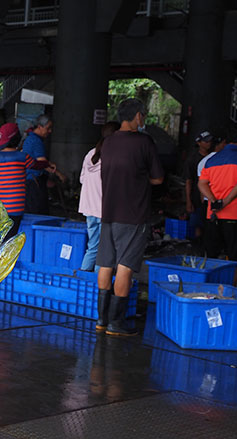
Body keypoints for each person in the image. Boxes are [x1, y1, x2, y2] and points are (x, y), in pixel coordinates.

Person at [96, 98, 164, 336]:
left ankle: (102, 321)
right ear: (137, 116)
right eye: (142, 115)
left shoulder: (108, 142)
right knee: (124, 267)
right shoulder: (144, 142)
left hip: (108, 213)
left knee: (106, 263)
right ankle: (116, 324)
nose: (143, 120)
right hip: (133, 215)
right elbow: (158, 179)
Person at [0, 122, 51, 239]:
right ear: (17, 139)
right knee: (10, 239)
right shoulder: (22, 157)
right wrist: (48, 164)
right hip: (15, 207)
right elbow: (37, 165)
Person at [199, 126, 237, 285]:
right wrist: (227, 201)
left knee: (212, 255)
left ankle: (210, 287)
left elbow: (202, 184)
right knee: (236, 256)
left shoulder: (212, 160)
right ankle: (234, 289)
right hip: (235, 215)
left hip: (213, 215)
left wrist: (214, 200)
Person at [78, 121, 120, 271]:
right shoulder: (114, 155)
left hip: (89, 209)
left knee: (93, 247)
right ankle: (98, 286)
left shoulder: (91, 153)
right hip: (104, 210)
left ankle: (82, 278)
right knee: (105, 251)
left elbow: (82, 179)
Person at [22, 114, 65, 214]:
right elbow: (42, 163)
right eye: (48, 128)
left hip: (29, 180)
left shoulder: (29, 138)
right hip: (33, 182)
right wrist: (60, 175)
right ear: (40, 127)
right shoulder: (36, 141)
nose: (50, 131)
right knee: (37, 211)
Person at [184, 130, 214, 238]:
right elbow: (188, 180)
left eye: (210, 141)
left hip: (211, 195)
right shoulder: (192, 159)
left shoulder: (214, 157)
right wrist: (188, 201)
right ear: (199, 143)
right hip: (196, 196)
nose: (208, 143)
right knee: (198, 223)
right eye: (206, 141)